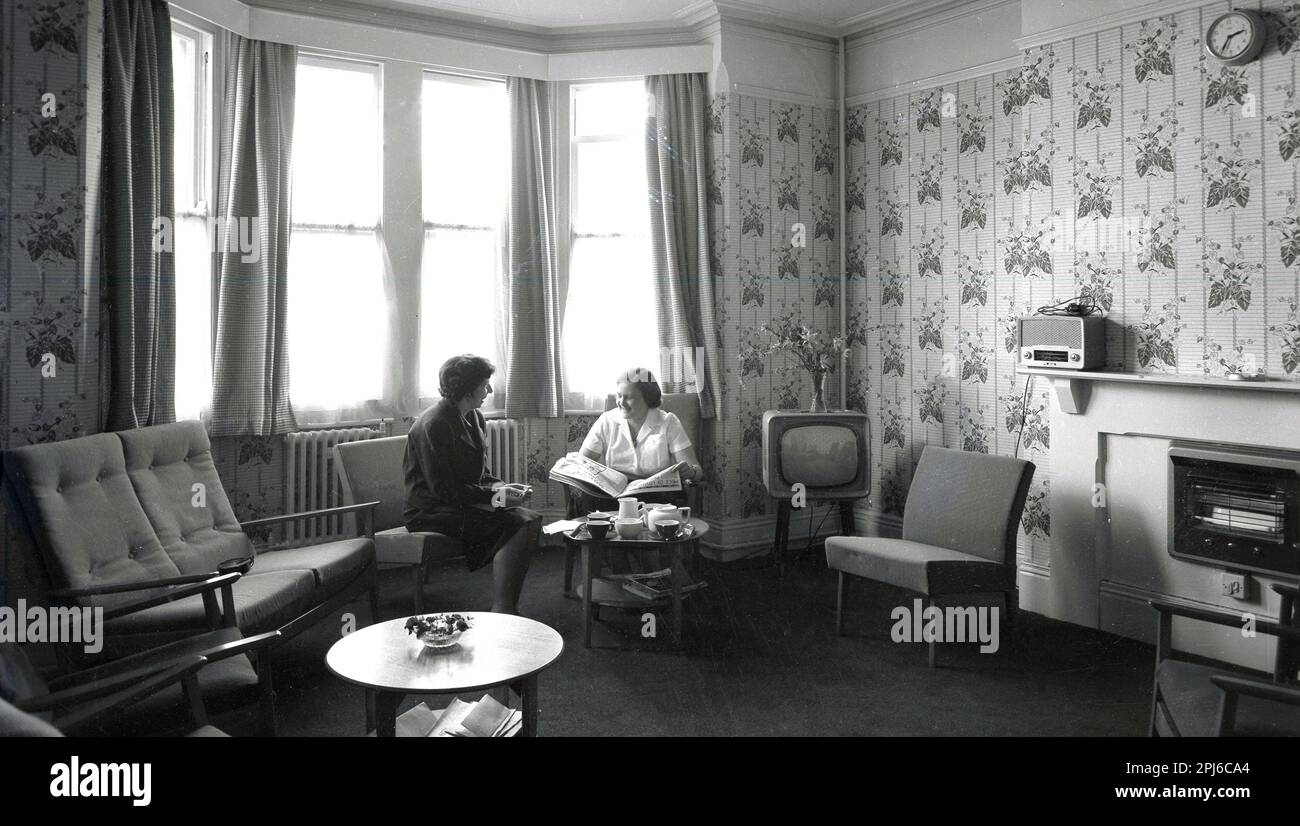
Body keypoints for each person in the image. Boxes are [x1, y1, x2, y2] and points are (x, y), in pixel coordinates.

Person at [404, 355, 540, 614]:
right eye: (484, 384)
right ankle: (503, 608)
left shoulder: (475, 417)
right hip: (429, 511)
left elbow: (480, 474)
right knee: (517, 523)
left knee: (530, 518)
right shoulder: (434, 424)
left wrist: (503, 487)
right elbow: (443, 491)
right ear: (466, 388)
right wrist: (497, 497)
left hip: (455, 503)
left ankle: (505, 604)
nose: (489, 390)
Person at [576, 367, 702, 515]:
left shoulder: (668, 422)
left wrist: (690, 472)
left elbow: (697, 471)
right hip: (615, 495)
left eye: (628, 397)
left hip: (655, 496)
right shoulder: (606, 420)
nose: (621, 402)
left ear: (648, 398)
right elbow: (582, 462)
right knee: (590, 499)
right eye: (619, 395)